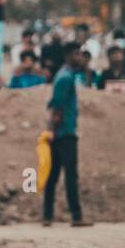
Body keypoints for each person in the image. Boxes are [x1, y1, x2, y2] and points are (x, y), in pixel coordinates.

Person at [43, 42, 92, 227]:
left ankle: (47, 215)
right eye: (78, 54)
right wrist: (53, 131)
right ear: (70, 55)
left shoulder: (66, 75)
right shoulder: (65, 78)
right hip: (64, 133)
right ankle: (76, 216)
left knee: (53, 174)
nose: (81, 57)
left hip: (60, 132)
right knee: (70, 175)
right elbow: (57, 107)